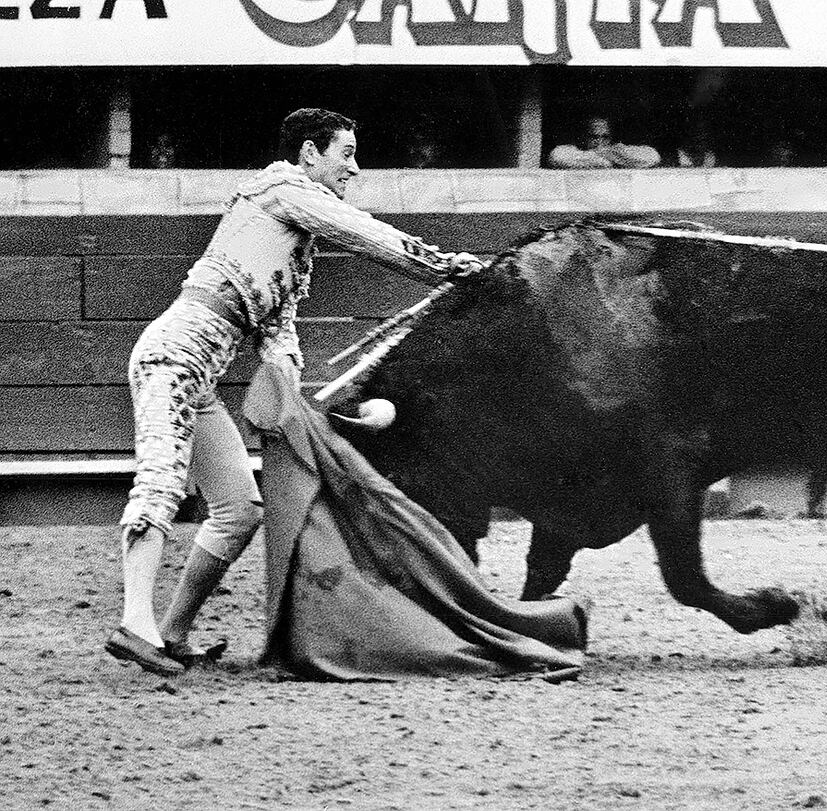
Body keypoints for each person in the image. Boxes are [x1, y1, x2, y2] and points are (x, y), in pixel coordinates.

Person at [105, 108, 483, 677]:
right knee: (159, 481)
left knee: (239, 508)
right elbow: (366, 234)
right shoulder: (282, 187)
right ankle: (136, 624)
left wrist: (299, 405)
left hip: (201, 370)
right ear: (310, 154)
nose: (354, 170)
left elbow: (278, 336)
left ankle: (172, 632)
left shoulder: (293, 243)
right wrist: (449, 268)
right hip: (174, 355)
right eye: (345, 155)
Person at [547, 115, 661, 169]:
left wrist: (618, 155)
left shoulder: (617, 151)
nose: (600, 141)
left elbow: (653, 157)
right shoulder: (571, 151)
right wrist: (600, 158)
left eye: (605, 137)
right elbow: (557, 157)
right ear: (583, 138)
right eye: (594, 137)